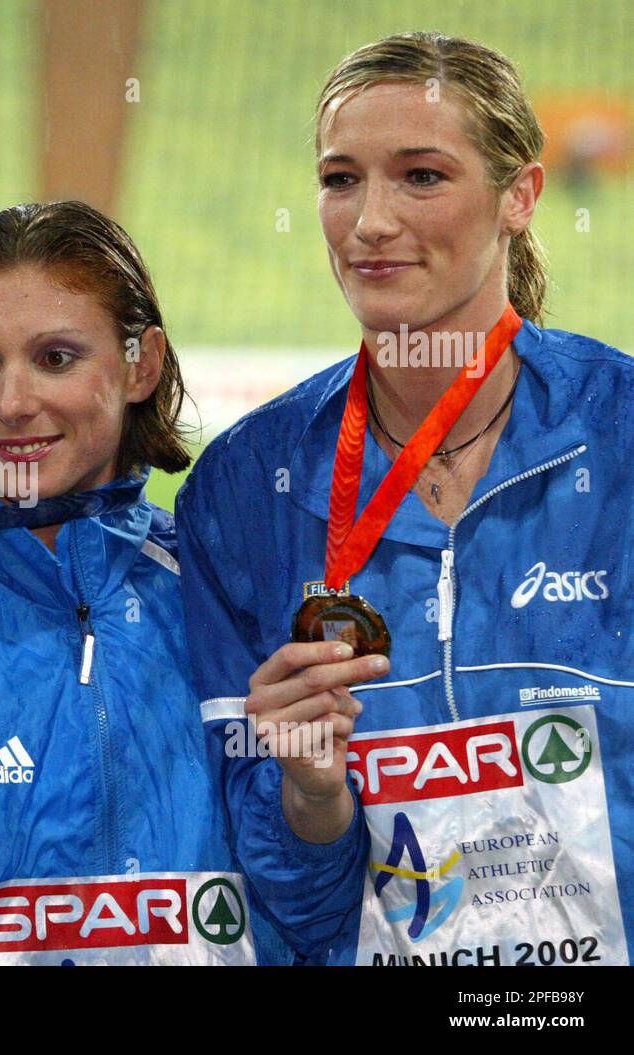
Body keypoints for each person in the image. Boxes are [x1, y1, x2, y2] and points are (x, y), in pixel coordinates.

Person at [0, 201, 369, 965]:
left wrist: (313, 797)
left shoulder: (216, 585)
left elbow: (316, 923)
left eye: (55, 358)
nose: (13, 404)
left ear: (141, 364)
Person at [177, 32, 634, 966]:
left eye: (421, 176)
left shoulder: (620, 436)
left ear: (521, 195)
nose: (370, 221)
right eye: (340, 180)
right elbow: (276, 919)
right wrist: (308, 798)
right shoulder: (241, 490)